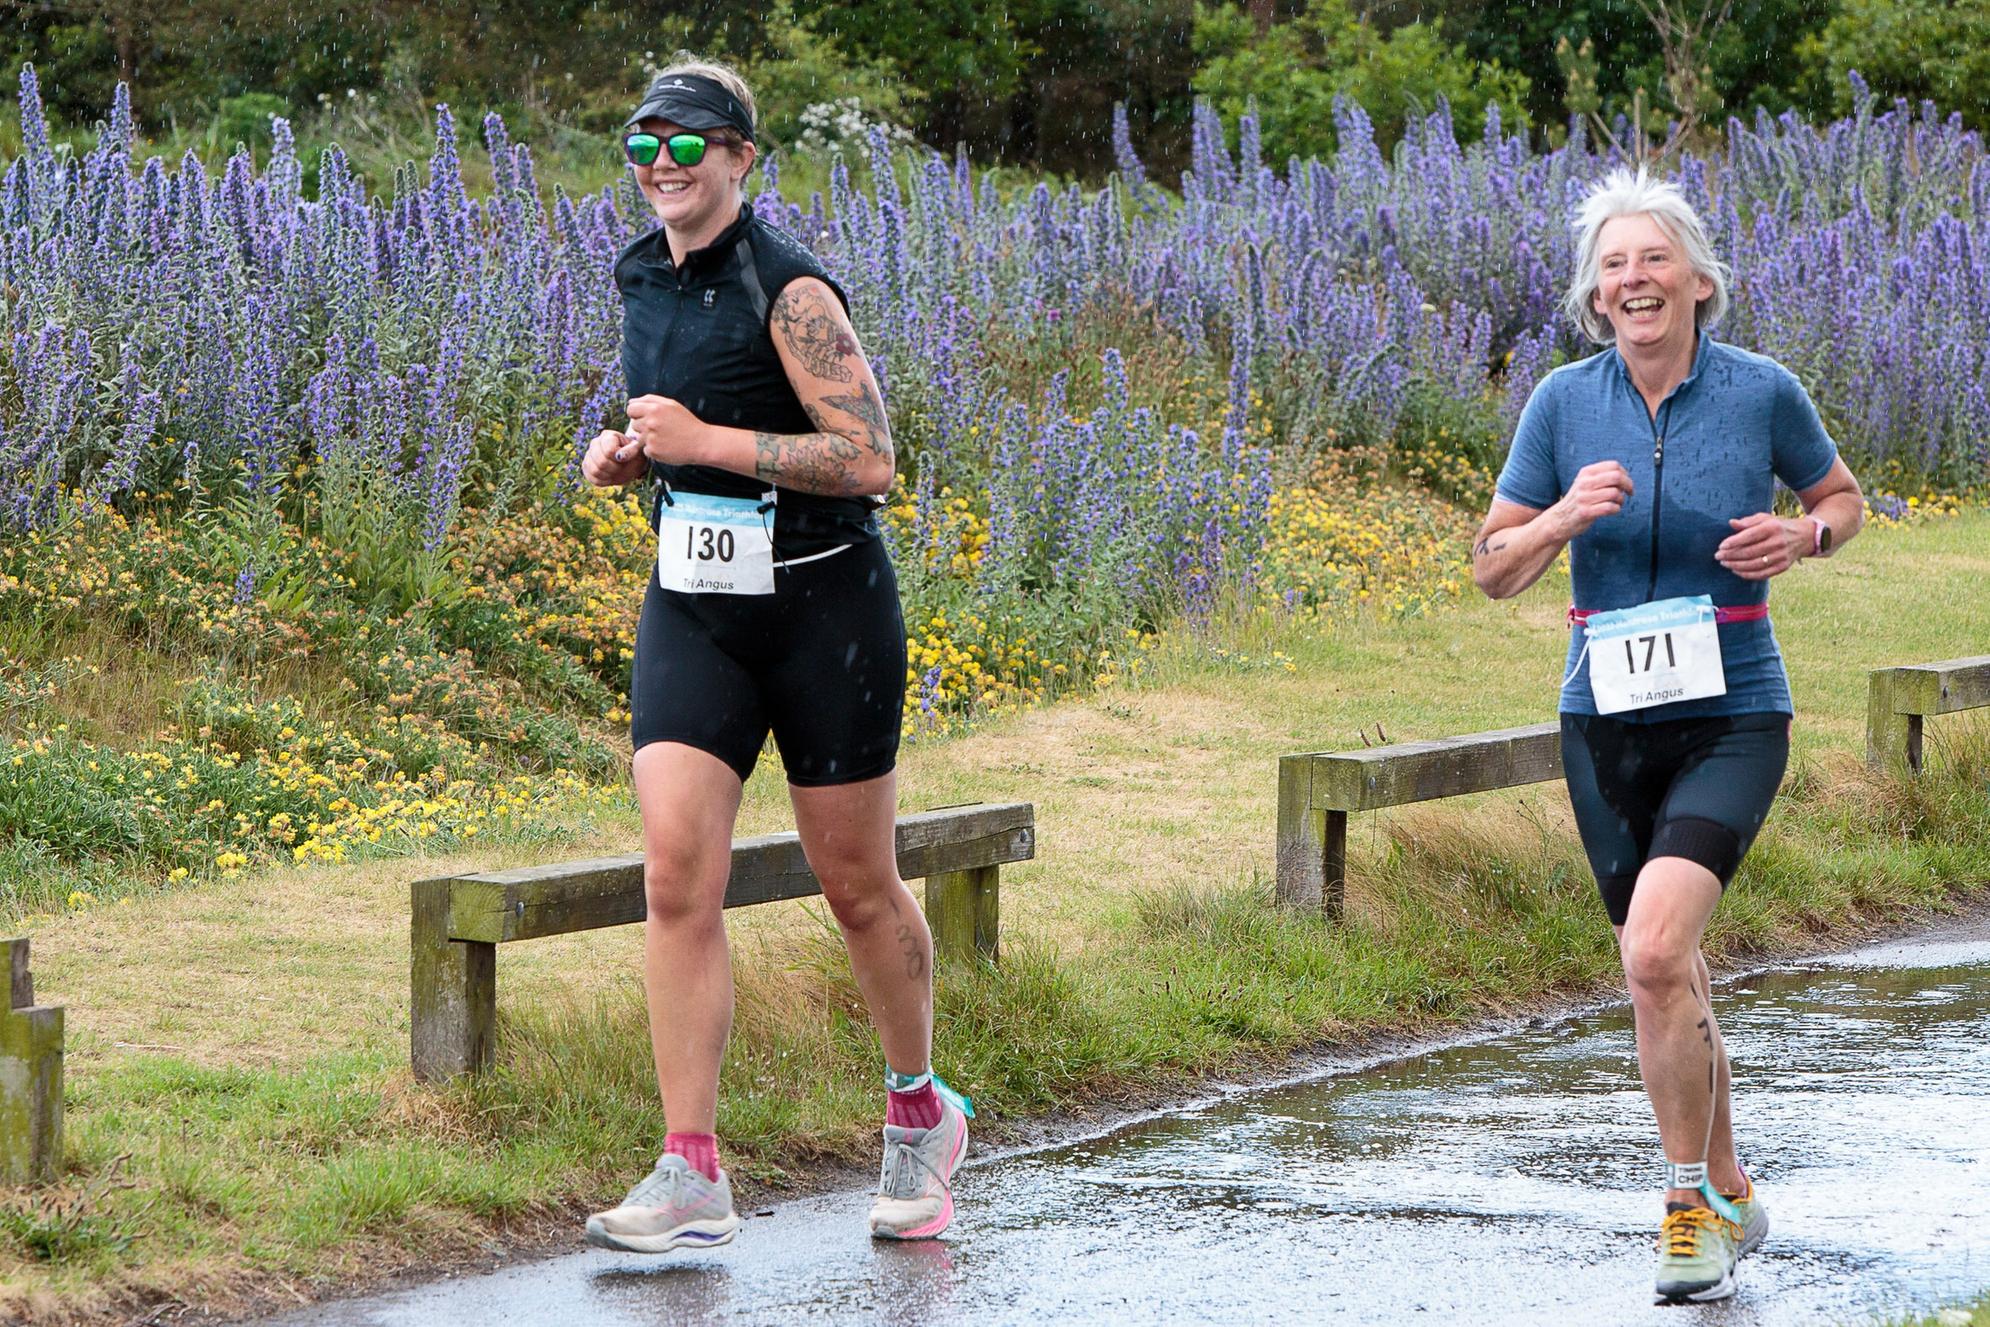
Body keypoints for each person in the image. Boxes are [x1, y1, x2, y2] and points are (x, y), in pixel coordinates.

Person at [577, 57, 968, 1253]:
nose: (661, 165)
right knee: (673, 872)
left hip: (821, 609)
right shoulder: (642, 272)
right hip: (695, 605)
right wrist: (635, 455)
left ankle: (918, 1111)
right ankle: (689, 1169)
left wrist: (711, 440)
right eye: (643, 142)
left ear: (741, 158)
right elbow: (682, 415)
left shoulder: (790, 288)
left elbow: (869, 458)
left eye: (688, 145)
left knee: (853, 882)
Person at [1471, 168, 1864, 1303]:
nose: (1632, 281)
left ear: (1698, 281)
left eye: (1652, 261)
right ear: (1595, 297)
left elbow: (1842, 498)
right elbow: (1493, 571)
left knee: (1649, 954)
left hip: (1735, 709)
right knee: (1665, 969)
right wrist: (1559, 516)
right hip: (1606, 721)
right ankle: (1734, 1180)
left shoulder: (1760, 393)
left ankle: (1688, 1207)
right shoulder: (1560, 403)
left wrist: (1802, 539)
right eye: (1612, 266)